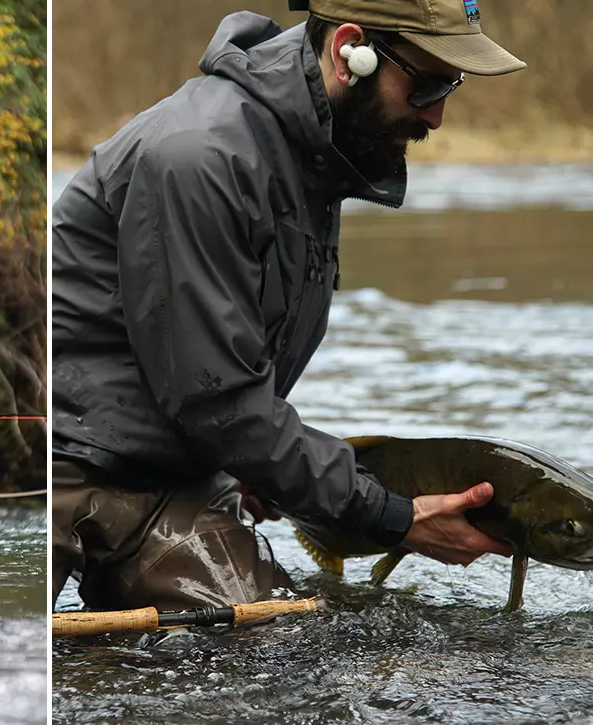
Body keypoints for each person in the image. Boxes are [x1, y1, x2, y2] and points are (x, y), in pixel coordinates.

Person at [51, 0, 524, 611]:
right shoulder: (203, 156)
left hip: (180, 475)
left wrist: (259, 467)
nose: (435, 115)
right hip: (66, 465)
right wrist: (391, 515)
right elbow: (216, 398)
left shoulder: (310, 160)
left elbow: (224, 379)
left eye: (450, 85)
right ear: (348, 50)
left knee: (278, 644)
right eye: (428, 83)